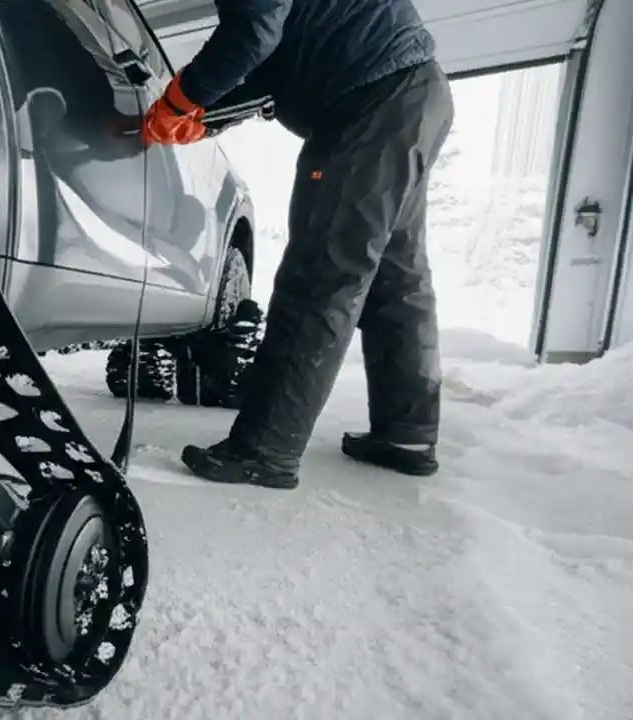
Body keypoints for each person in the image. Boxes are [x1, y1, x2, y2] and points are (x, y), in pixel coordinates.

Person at [142, 0, 455, 490]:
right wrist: (208, 115)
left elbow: (253, 34)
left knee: (320, 275)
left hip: (369, 101)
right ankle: (406, 434)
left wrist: (183, 99)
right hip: (412, 94)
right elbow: (272, 56)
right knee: (397, 277)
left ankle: (264, 451)